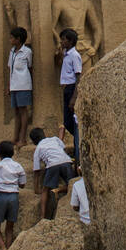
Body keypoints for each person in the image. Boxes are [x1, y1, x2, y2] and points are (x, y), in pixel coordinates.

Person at [30, 126, 73, 220]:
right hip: (66, 161)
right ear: (44, 134)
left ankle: (43, 216)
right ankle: (60, 189)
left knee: (45, 190)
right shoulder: (54, 139)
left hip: (52, 165)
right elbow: (63, 147)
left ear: (33, 142)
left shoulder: (38, 149)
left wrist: (36, 188)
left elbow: (36, 171)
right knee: (72, 184)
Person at [54, 29, 83, 164]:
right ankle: (78, 139)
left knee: (73, 121)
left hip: (72, 88)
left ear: (70, 41)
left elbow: (78, 76)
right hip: (66, 88)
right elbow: (58, 63)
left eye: (64, 39)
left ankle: (79, 151)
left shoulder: (74, 55)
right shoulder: (66, 54)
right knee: (67, 122)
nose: (61, 41)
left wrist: (74, 97)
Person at [7, 27, 33, 148]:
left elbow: (30, 66)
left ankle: (22, 138)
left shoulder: (27, 52)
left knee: (23, 111)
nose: (10, 39)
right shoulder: (12, 52)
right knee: (16, 112)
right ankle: (15, 137)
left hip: (23, 85)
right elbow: (10, 69)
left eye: (12, 37)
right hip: (14, 85)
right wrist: (9, 86)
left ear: (18, 39)